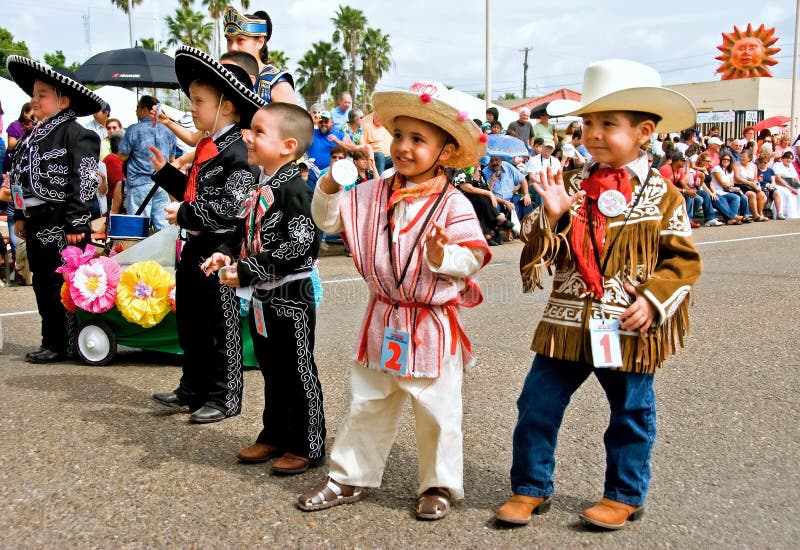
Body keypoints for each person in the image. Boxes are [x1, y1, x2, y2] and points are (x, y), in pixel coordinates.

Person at [495, 59, 702, 530]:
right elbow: (534, 243)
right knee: (536, 405)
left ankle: (625, 494)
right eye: (588, 123)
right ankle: (530, 487)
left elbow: (683, 261)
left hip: (628, 321)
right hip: (567, 323)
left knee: (630, 412)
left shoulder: (664, 195)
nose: (593, 133)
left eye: (609, 124)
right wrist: (554, 216)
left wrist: (653, 300)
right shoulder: (568, 184)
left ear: (645, 131)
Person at [297, 85, 491, 520]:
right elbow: (327, 219)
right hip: (383, 315)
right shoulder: (371, 193)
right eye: (399, 135)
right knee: (369, 399)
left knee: (437, 408)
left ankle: (438, 484)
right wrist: (329, 182)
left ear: (444, 151)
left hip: (431, 321)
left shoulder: (455, 203)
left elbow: (473, 255)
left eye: (418, 140)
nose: (404, 147)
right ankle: (348, 476)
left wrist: (444, 257)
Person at [201, 102, 325, 473]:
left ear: (288, 145)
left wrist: (249, 270)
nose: (248, 138)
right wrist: (224, 255)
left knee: (297, 366)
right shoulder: (262, 185)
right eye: (249, 129)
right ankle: (274, 434)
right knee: (272, 365)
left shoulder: (297, 190)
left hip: (291, 294)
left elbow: (301, 246)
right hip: (263, 294)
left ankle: (308, 443)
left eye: (258, 132)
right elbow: (242, 230)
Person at [148, 47, 263, 424]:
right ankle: (192, 387)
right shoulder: (207, 145)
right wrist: (167, 173)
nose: (192, 109)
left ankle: (225, 395)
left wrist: (185, 212)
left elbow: (233, 207)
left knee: (220, 323)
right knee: (192, 321)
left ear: (226, 106)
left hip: (221, 248)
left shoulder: (238, 151)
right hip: (195, 244)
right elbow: (198, 193)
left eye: (199, 101)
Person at [6, 56, 102, 363]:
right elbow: (20, 178)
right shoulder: (31, 137)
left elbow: (84, 180)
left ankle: (67, 342)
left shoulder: (76, 133)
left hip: (63, 225)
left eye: (42, 94)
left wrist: (77, 222)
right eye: (33, 94)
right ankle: (52, 339)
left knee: (62, 285)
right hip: (35, 223)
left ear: (63, 99)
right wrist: (20, 214)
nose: (34, 100)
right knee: (42, 284)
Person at [117, 95, 176, 230]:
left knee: (138, 228)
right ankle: (166, 251)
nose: (136, 112)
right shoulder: (168, 130)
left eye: (137, 109)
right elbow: (172, 159)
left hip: (139, 183)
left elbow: (122, 156)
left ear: (144, 109)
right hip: (162, 184)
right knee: (164, 226)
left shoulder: (133, 129)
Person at [223, 6, 296, 104]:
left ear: (260, 42)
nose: (232, 47)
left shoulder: (278, 84)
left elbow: (294, 119)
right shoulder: (226, 77)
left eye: (240, 40)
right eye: (229, 40)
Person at [306, 111, 344, 187]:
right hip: (313, 171)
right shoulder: (311, 133)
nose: (323, 124)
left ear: (332, 122)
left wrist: (337, 141)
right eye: (321, 122)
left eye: (326, 121)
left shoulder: (339, 134)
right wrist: (311, 120)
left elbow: (352, 148)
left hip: (332, 172)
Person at [710, 152, 749, 223]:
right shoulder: (717, 168)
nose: (726, 161)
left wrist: (730, 186)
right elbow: (722, 183)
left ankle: (735, 218)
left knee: (743, 197)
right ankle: (733, 217)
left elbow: (732, 183)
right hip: (718, 191)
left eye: (728, 160)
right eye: (724, 159)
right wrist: (729, 185)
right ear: (721, 160)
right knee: (735, 197)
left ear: (730, 161)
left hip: (726, 191)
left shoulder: (730, 170)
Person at [733, 149, 768, 221]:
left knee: (761, 194)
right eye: (741, 156)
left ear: (749, 158)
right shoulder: (736, 165)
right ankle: (755, 215)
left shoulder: (754, 166)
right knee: (752, 194)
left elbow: (755, 179)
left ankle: (760, 213)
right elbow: (737, 178)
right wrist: (750, 183)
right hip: (740, 185)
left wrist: (756, 185)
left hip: (751, 185)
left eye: (744, 157)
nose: (741, 158)